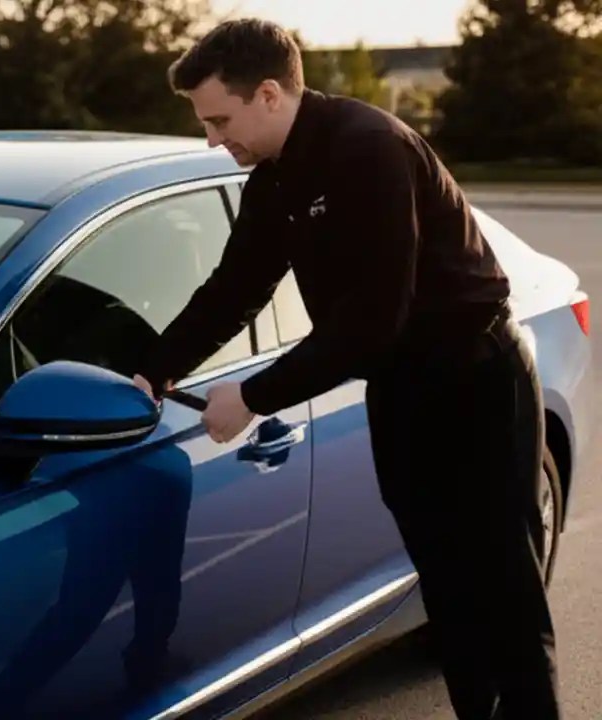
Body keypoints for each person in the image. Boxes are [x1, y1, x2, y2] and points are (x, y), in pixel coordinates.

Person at [131, 18, 559, 720]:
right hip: (401, 392)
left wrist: (255, 396)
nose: (213, 139)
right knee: (446, 590)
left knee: (505, 594)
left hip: (477, 384)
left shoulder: (369, 148)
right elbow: (232, 292)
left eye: (219, 119)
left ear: (269, 94)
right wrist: (153, 372)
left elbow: (372, 319)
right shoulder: (269, 181)